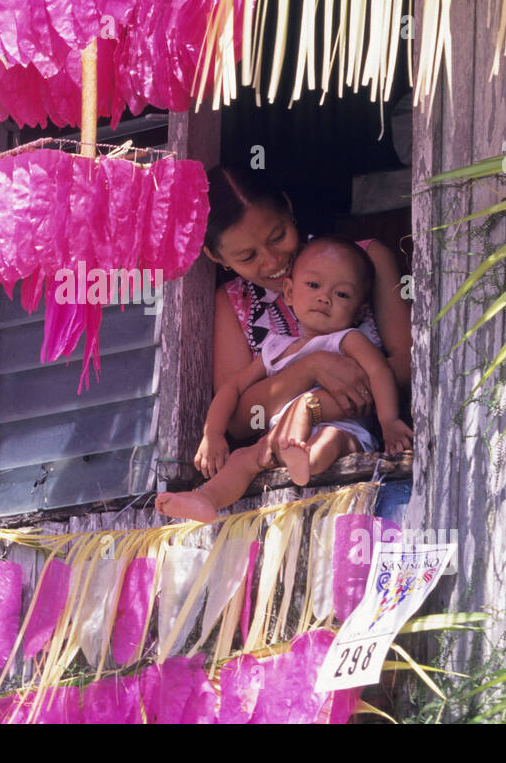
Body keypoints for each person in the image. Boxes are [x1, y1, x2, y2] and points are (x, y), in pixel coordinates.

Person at [157, 237, 412, 522]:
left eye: (341, 294)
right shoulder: (275, 349)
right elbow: (232, 388)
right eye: (313, 286)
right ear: (289, 293)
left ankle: (307, 460)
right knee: (242, 459)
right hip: (277, 438)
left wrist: (389, 421)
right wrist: (212, 434)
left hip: (343, 430)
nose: (324, 297)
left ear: (361, 311)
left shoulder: (348, 340)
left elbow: (380, 373)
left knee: (331, 438)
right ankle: (206, 498)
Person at [200, 165, 412, 459]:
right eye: (247, 256)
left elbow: (409, 363)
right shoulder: (232, 304)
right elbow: (239, 420)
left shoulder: (365, 261)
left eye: (277, 236)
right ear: (215, 256)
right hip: (281, 464)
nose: (272, 260)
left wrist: (312, 408)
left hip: (365, 450)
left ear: (288, 208)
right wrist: (310, 367)